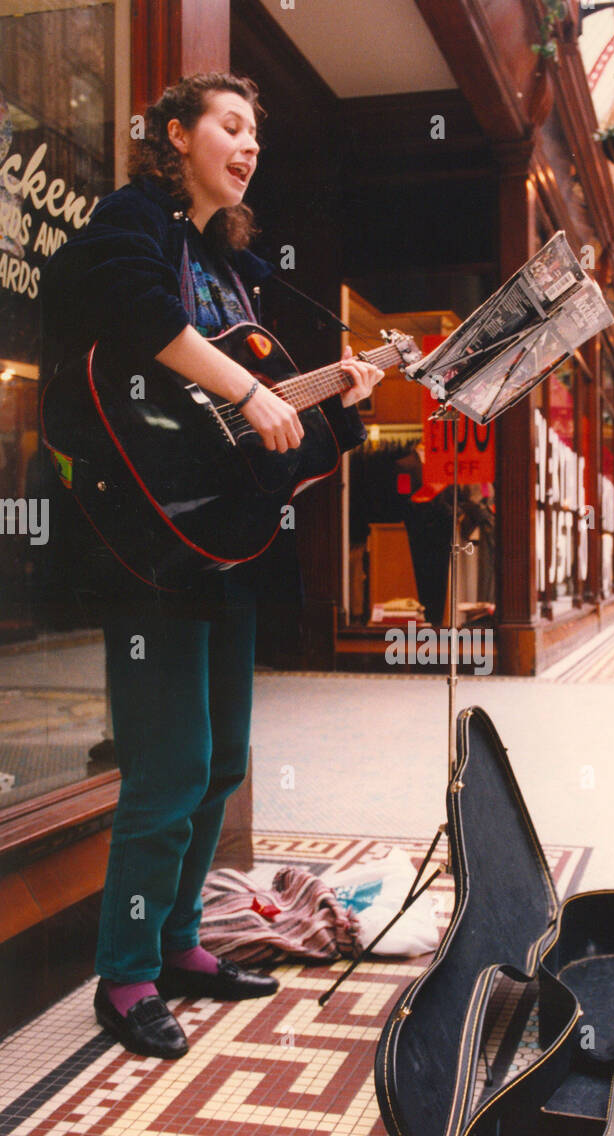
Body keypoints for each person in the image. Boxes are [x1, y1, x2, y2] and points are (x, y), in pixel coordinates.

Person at [39, 73, 383, 1060]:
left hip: (216, 539)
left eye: (255, 135)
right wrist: (254, 389)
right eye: (229, 126)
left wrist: (342, 403)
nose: (246, 146)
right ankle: (127, 972)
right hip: (142, 546)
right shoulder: (134, 217)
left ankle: (182, 943)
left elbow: (260, 428)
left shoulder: (234, 267)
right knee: (169, 767)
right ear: (176, 134)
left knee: (223, 760)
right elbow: (135, 312)